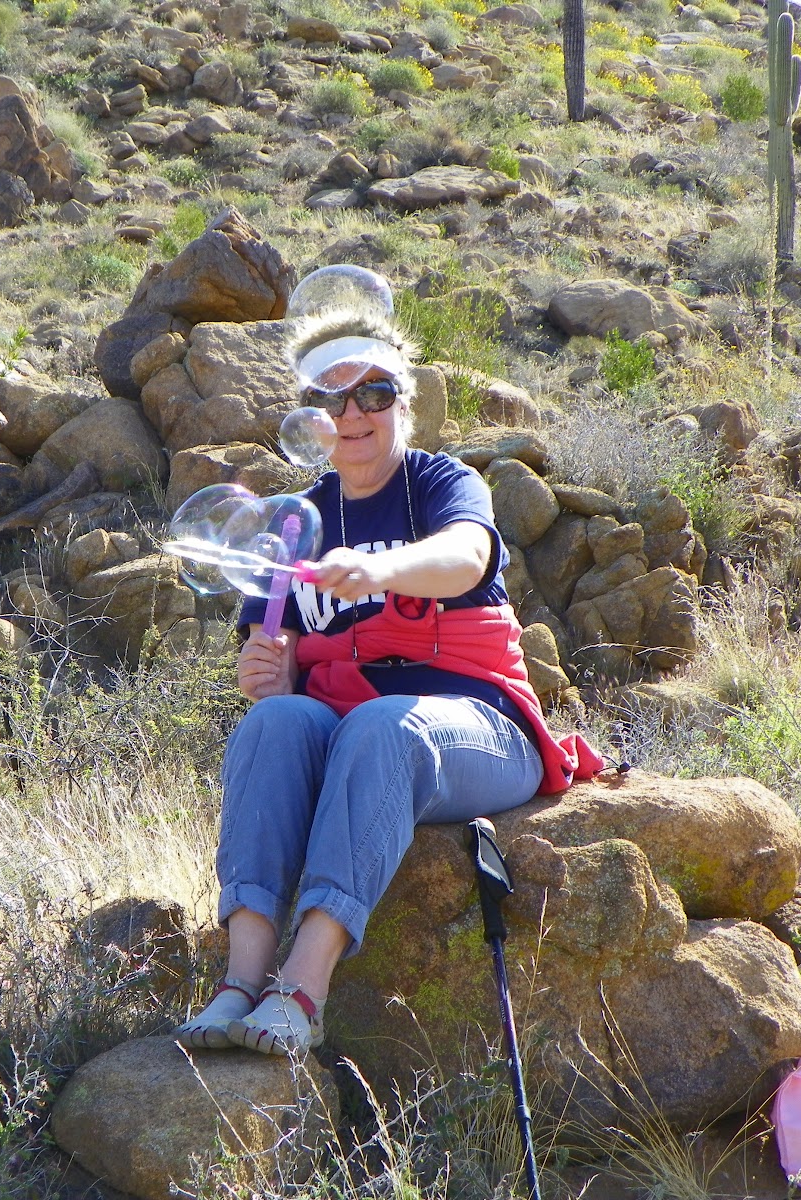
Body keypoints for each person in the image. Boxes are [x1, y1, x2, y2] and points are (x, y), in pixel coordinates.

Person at [175, 306, 603, 1057]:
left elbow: (468, 557)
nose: (354, 413)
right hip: (345, 727)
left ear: (403, 402)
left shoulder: (440, 483)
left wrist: (380, 570)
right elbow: (267, 647)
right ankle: (239, 985)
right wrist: (264, 672)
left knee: (387, 725)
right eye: (331, 398)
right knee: (272, 725)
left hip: (480, 723)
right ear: (309, 416)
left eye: (373, 393)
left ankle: (302, 991)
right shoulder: (294, 523)